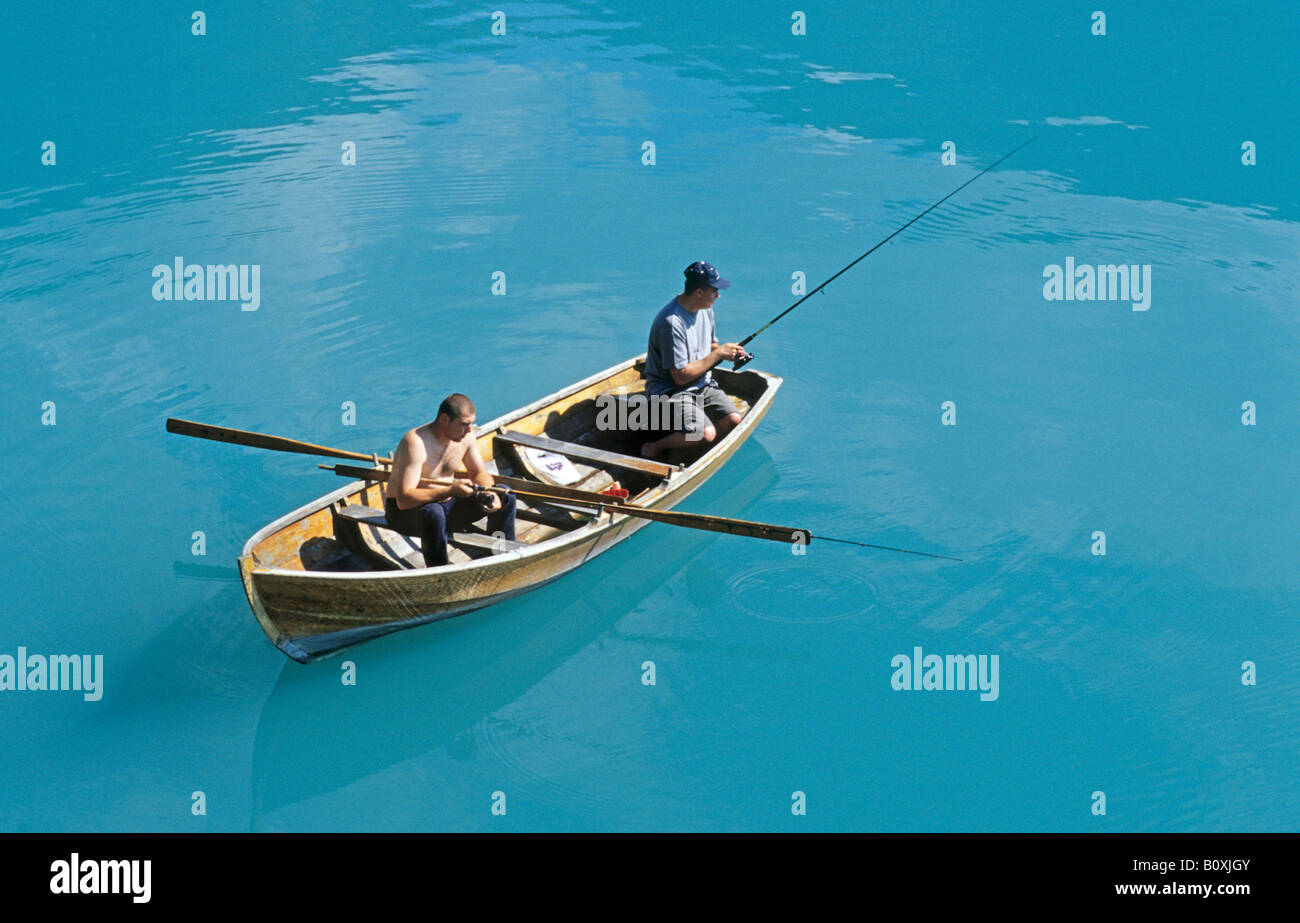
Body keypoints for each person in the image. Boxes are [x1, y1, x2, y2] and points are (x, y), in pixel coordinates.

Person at [384, 393, 516, 567]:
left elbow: (479, 472)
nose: (469, 430)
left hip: (448, 505)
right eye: (464, 424)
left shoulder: (466, 437)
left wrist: (489, 492)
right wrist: (450, 490)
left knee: (505, 495)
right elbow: (404, 500)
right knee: (433, 513)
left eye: (470, 424)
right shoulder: (415, 443)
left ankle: (499, 555)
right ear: (445, 419)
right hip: (407, 514)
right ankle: (439, 571)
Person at [640, 260, 747, 459]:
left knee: (734, 419)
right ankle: (654, 447)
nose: (718, 295)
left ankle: (691, 444)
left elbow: (711, 347)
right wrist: (717, 355)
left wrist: (729, 352)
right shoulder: (671, 322)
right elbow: (680, 377)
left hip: (701, 384)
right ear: (699, 292)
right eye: (714, 290)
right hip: (670, 391)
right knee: (706, 433)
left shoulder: (706, 309)